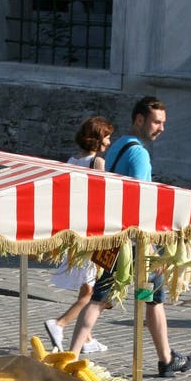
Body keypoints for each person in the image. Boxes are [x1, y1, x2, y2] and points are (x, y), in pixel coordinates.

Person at [69, 96, 191, 378]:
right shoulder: (138, 153)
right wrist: (152, 244)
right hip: (134, 243)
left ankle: (166, 358)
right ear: (139, 120)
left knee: (144, 297)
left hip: (112, 236)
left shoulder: (117, 147)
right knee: (108, 297)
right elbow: (143, 199)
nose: (161, 128)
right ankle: (72, 356)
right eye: (156, 122)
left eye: (163, 122)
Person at [44, 115, 114, 354]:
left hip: (74, 229)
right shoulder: (98, 163)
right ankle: (59, 323)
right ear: (97, 138)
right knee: (90, 292)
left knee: (87, 286)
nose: (109, 141)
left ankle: (86, 339)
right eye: (106, 136)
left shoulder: (71, 161)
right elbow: (102, 197)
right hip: (91, 231)